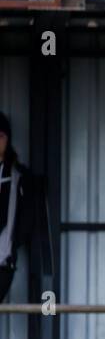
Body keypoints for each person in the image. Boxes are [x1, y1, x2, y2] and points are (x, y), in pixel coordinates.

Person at [0, 111, 38, 304]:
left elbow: (28, 218)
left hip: (3, 261)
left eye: (0, 136)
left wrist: (14, 243)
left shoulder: (18, 176)